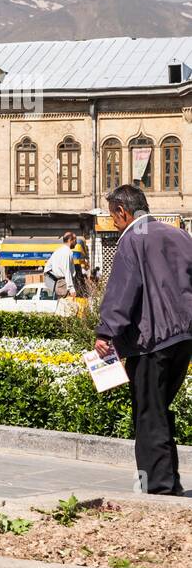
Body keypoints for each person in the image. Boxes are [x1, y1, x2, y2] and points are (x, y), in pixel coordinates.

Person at [94, 186, 192, 497]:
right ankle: (169, 481)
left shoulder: (132, 239)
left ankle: (158, 487)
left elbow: (123, 289)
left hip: (151, 340)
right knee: (159, 408)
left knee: (149, 412)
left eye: (113, 218)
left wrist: (106, 331)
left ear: (123, 211)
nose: (114, 224)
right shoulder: (178, 235)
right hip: (183, 337)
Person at [44, 231, 78, 297]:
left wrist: (55, 279)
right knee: (67, 306)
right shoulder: (68, 252)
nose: (76, 243)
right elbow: (67, 270)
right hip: (65, 284)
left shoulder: (57, 252)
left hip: (58, 284)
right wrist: (71, 288)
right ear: (70, 240)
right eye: (75, 240)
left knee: (61, 305)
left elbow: (46, 268)